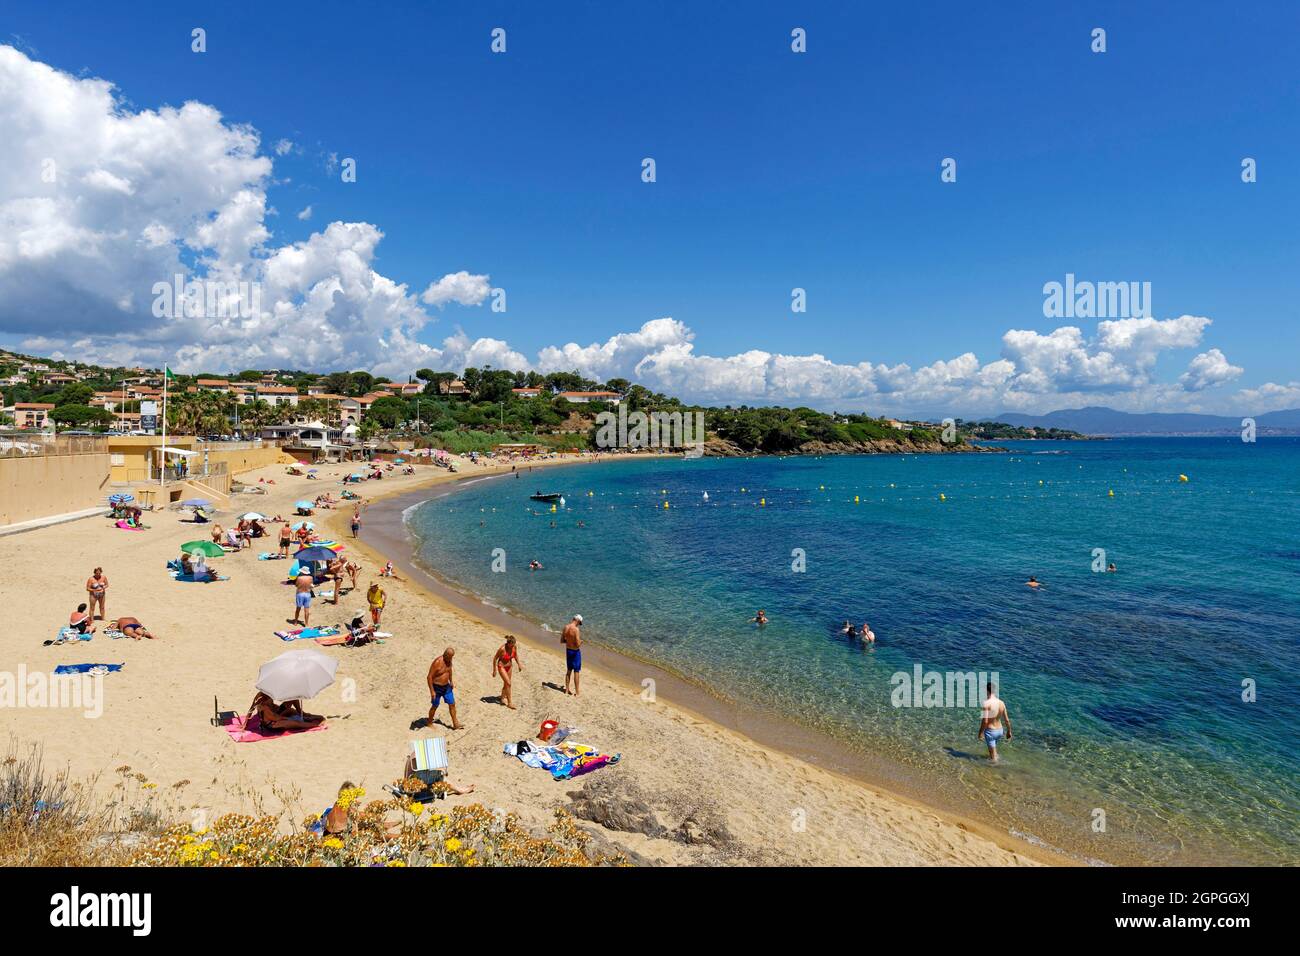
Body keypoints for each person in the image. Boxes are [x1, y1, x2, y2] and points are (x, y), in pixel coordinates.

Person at [247, 692, 323, 732]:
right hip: (271, 723)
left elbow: (274, 708)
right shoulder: (261, 700)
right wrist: (287, 718)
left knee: (294, 698)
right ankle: (316, 725)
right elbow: (274, 717)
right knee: (296, 723)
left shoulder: (270, 693)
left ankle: (303, 714)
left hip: (276, 714)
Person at [427, 648, 464, 730]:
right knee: (435, 706)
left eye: (452, 657)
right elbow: (429, 677)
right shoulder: (437, 662)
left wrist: (451, 681)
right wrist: (432, 691)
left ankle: (455, 723)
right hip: (436, 688)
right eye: (450, 657)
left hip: (446, 687)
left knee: (452, 703)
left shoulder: (449, 661)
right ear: (445, 655)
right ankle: (429, 722)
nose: (451, 659)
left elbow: (449, 670)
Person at [977, 682, 1012, 763]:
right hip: (1000, 730)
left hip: (990, 732)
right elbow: (1007, 720)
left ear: (987, 691)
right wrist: (1009, 731)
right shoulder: (1001, 703)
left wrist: (980, 732)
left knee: (993, 756)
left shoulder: (986, 703)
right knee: (994, 751)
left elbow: (985, 721)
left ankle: (995, 770)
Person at [492, 635, 523, 709]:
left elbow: (515, 655)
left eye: (513, 645)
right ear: (508, 644)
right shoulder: (502, 649)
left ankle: (502, 698)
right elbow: (495, 658)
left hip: (509, 666)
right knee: (509, 683)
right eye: (511, 645)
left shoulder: (514, 647)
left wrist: (519, 664)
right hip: (501, 667)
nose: (512, 647)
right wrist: (494, 670)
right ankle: (509, 703)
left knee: (506, 683)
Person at [561, 614, 583, 697]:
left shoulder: (566, 627)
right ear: (577, 620)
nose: (579, 625)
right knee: (576, 672)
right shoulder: (576, 630)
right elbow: (577, 645)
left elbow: (562, 640)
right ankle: (577, 692)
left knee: (569, 670)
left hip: (568, 651)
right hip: (575, 652)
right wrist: (581, 642)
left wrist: (569, 642)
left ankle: (566, 690)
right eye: (579, 623)